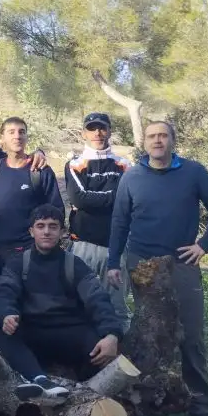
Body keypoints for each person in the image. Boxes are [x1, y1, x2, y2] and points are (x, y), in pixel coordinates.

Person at [107, 121, 208, 416]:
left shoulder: (193, 172)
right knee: (149, 332)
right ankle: (147, 400)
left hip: (182, 262)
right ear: (144, 143)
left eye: (163, 135)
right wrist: (113, 262)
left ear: (173, 140)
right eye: (152, 136)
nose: (157, 140)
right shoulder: (131, 177)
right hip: (142, 263)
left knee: (191, 335)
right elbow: (120, 222)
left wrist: (204, 244)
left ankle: (201, 406)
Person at [0, 204, 123, 401]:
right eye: (40, 226)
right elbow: (5, 292)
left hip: (70, 332)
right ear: (31, 231)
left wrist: (112, 334)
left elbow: (98, 299)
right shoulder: (18, 263)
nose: (46, 231)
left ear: (62, 232)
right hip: (33, 330)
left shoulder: (74, 264)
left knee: (101, 347)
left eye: (53, 226)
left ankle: (87, 396)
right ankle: (39, 380)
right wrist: (7, 314)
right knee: (1, 332)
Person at [64, 113, 132, 330]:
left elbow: (126, 200)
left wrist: (93, 199)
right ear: (84, 133)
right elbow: (78, 198)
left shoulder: (125, 165)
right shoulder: (75, 164)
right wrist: (113, 197)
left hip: (117, 248)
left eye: (102, 128)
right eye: (92, 128)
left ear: (110, 131)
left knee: (117, 309)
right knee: (78, 304)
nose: (97, 133)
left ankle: (121, 359)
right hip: (83, 246)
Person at [0, 117, 64, 261]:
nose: (17, 136)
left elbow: (57, 209)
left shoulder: (40, 170)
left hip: (33, 246)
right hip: (2, 245)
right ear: (2, 137)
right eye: (11, 132)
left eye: (21, 132)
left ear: (26, 136)